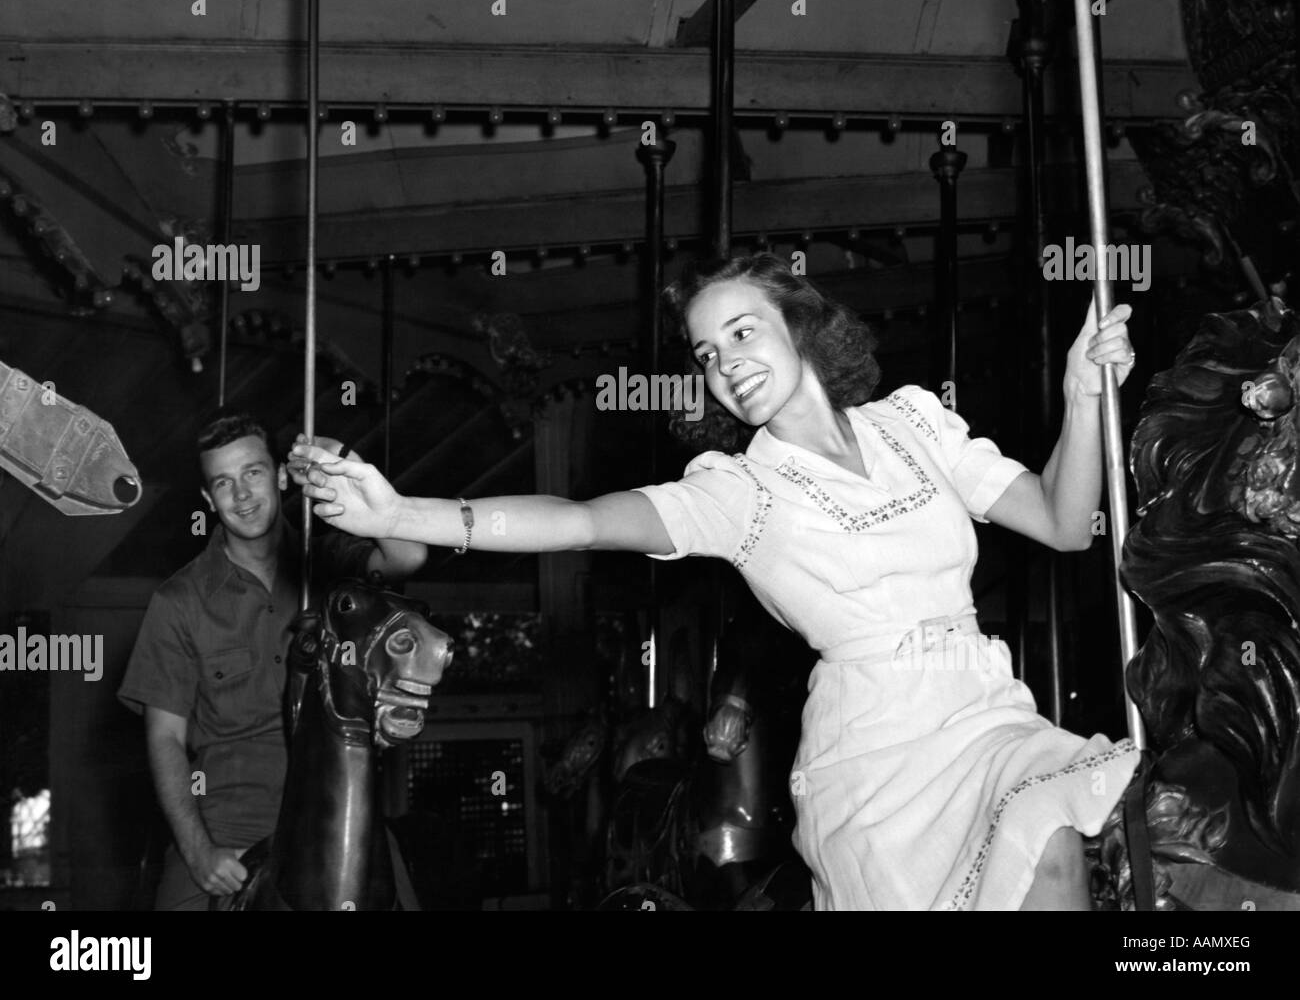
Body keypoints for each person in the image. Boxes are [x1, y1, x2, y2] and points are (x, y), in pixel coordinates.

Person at [291, 252, 1141, 911]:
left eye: (741, 332)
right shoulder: (740, 492)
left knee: (1057, 837)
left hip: (985, 707)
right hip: (879, 749)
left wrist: (1081, 395)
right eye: (705, 351)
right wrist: (404, 515)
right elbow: (582, 519)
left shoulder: (915, 421)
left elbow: (1066, 524)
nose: (724, 362)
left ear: (797, 325)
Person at [118, 410, 427, 910]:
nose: (241, 495)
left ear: (282, 476)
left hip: (340, 811)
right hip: (230, 822)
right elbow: (165, 738)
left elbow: (409, 555)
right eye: (224, 483)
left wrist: (348, 465)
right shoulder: (178, 601)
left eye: (253, 473)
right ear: (207, 500)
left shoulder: (328, 565)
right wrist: (198, 853)